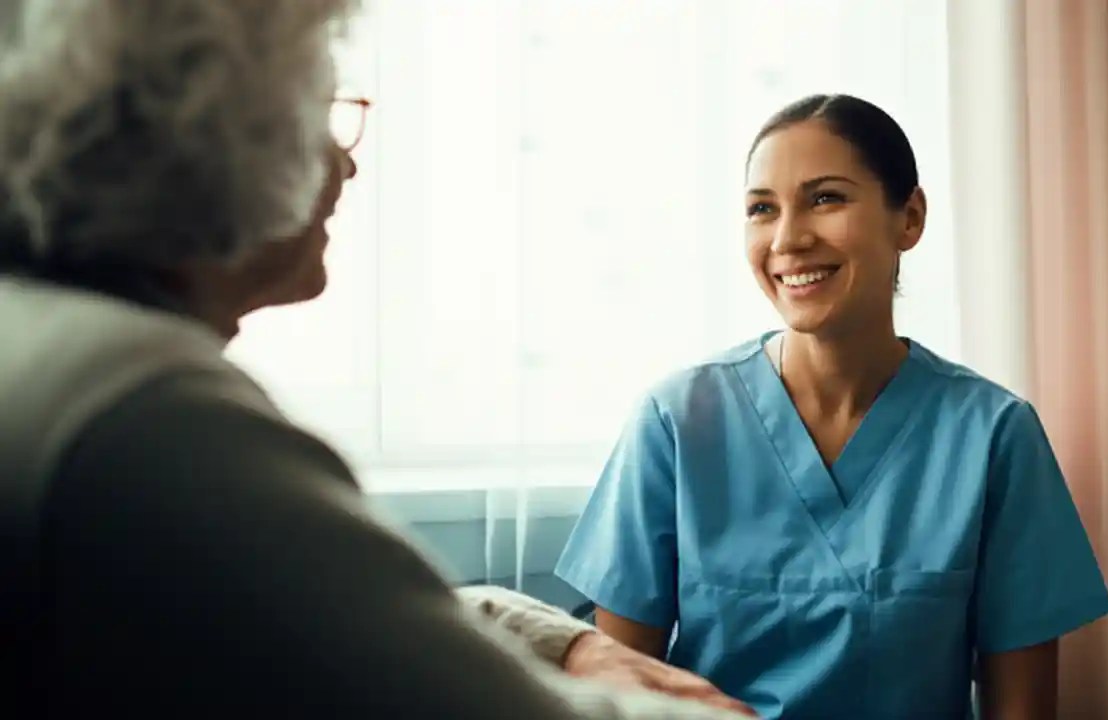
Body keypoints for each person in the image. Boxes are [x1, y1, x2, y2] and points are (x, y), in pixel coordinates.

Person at [0, 1, 755, 717]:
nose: (349, 166)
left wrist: (563, 642)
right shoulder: (150, 413)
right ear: (221, 133)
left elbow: (301, 613)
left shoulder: (50, 347)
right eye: (325, 114)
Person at [555, 94, 1108, 719]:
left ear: (909, 218)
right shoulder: (676, 423)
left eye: (825, 198)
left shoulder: (993, 436)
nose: (788, 239)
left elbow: (1023, 709)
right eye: (762, 209)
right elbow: (617, 700)